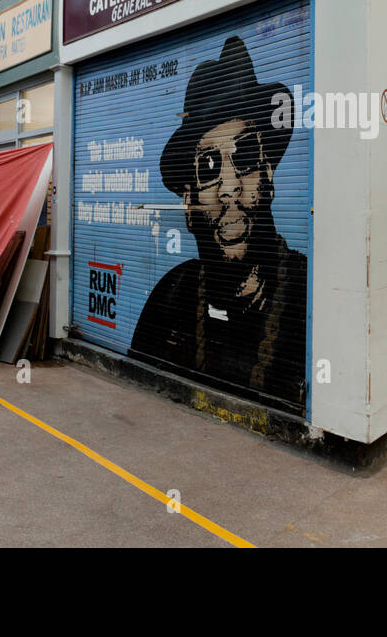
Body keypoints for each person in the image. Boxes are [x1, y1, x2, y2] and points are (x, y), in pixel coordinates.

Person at [129, 35, 307, 408]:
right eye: (209, 167)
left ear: (268, 178)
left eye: (244, 158)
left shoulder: (311, 295)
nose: (229, 188)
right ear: (189, 201)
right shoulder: (169, 298)